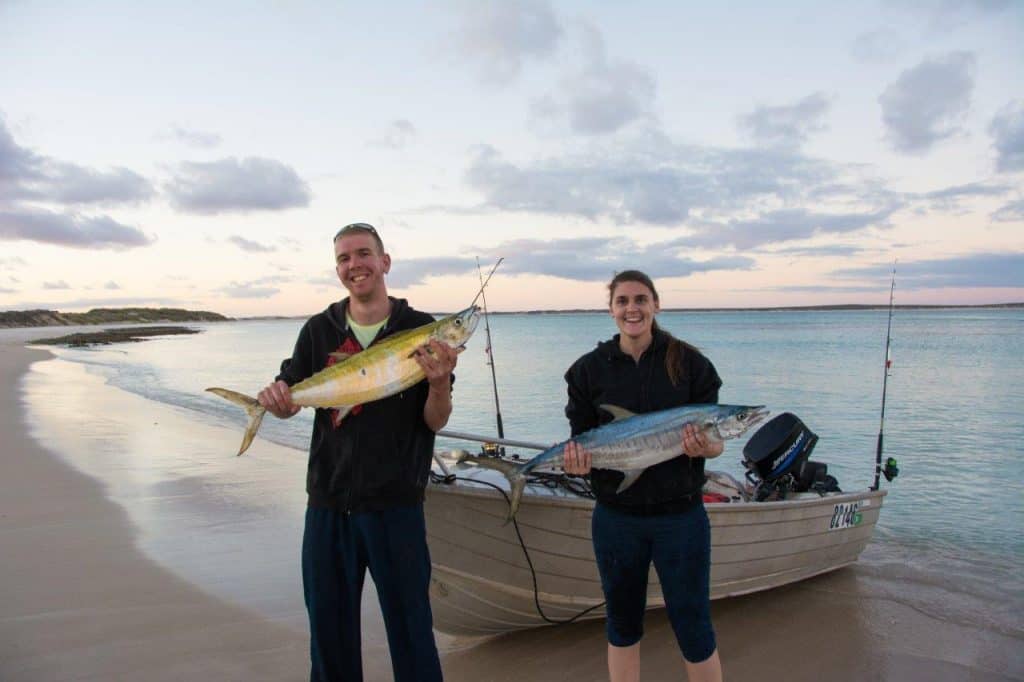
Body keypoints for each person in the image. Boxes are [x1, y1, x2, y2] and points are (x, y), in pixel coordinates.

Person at [257, 222, 457, 682]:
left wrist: (440, 382)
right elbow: (293, 395)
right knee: (330, 637)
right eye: (344, 258)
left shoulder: (421, 330)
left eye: (364, 254)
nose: (355, 265)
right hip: (328, 504)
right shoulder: (318, 330)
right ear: (338, 270)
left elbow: (435, 420)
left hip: (397, 505)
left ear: (384, 262)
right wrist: (277, 403)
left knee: (412, 634)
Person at [563, 270, 725, 682]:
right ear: (611, 309)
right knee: (622, 624)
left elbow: (717, 441)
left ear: (656, 305)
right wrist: (576, 462)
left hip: (681, 518)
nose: (632, 309)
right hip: (616, 519)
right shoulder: (587, 370)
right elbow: (580, 439)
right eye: (623, 301)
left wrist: (707, 448)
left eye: (640, 300)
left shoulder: (690, 363)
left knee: (693, 624)